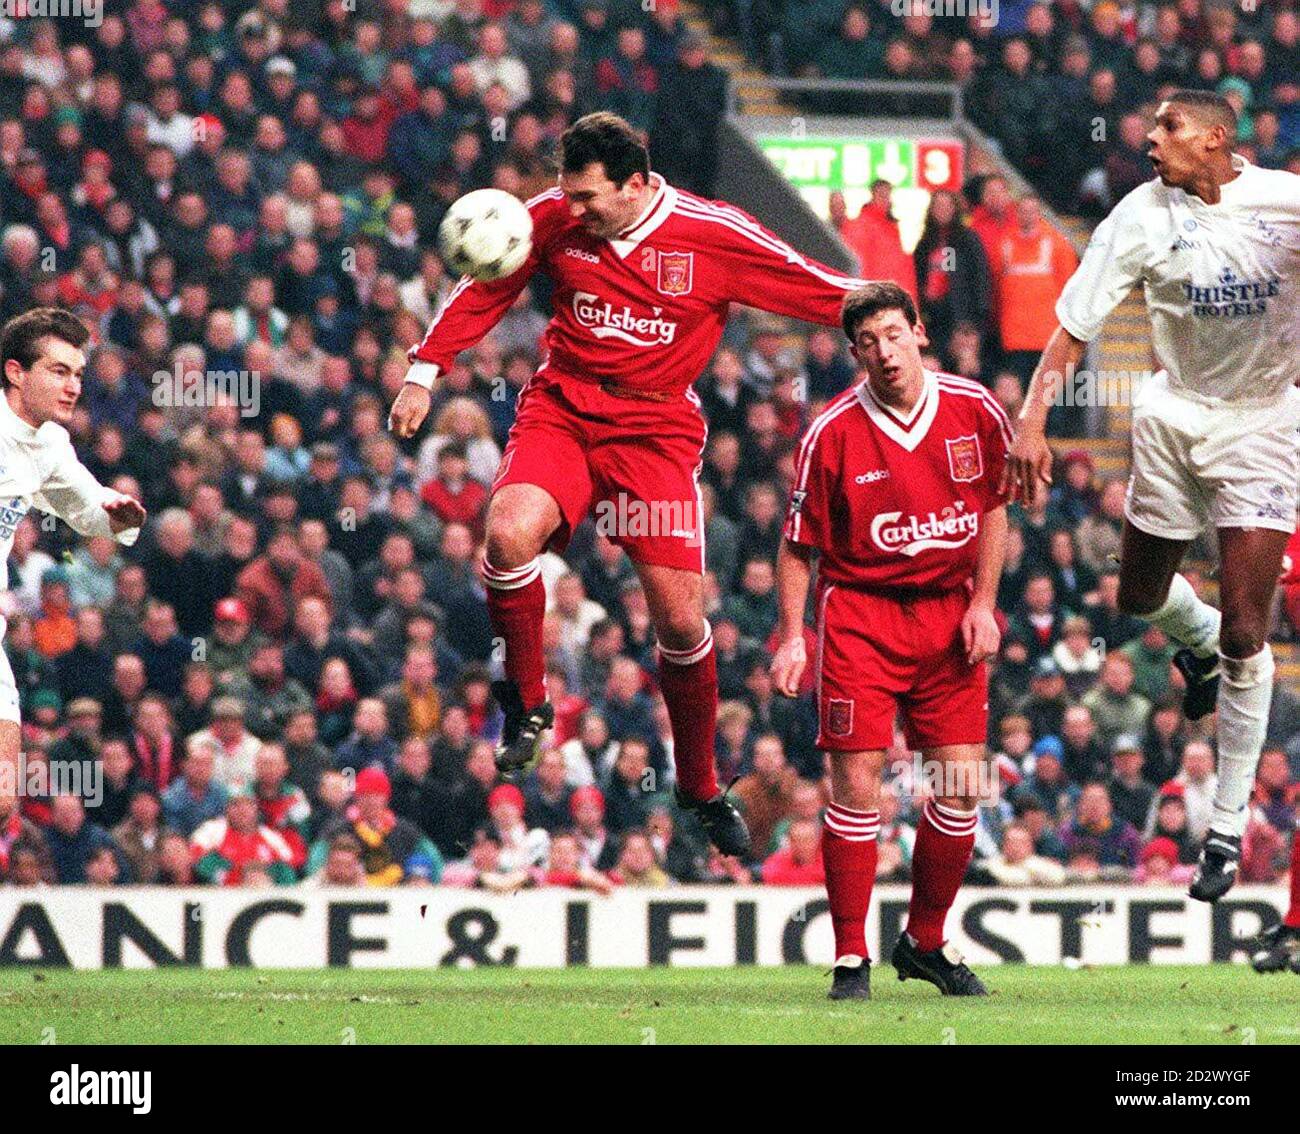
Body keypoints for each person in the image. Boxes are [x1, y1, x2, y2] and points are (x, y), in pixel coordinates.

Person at [388, 111, 869, 858]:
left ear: (637, 183)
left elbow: (808, 285)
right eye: (565, 196)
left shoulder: (714, 234)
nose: (569, 211)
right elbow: (485, 287)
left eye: (586, 198)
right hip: (565, 409)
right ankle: (527, 699)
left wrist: (886, 318)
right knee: (509, 534)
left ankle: (701, 785)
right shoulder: (550, 217)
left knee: (680, 624)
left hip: (653, 430)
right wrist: (425, 371)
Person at [1003, 90, 1300, 903]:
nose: (1150, 138)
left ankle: (1227, 829)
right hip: (1171, 412)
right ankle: (1192, 635)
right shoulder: (1139, 213)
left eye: (1168, 128)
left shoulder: (1285, 203)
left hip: (1263, 421)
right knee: (1136, 598)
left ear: (1214, 137)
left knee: (1250, 629)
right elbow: (1073, 324)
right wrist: (1032, 423)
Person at [770, 282, 1010, 1001]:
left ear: (919, 333)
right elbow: (795, 545)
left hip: (948, 616)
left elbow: (994, 509)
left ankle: (924, 941)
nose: (884, 352)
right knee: (856, 792)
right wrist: (792, 637)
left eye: (894, 335)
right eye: (868, 342)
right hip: (861, 618)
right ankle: (850, 957)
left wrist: (986, 603)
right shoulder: (831, 431)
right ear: (855, 354)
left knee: (960, 786)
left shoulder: (975, 409)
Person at [0, 308, 145, 771]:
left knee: (4, 794)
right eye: (59, 371)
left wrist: (119, 517)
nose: (74, 386)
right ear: (16, 373)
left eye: (79, 374)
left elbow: (87, 507)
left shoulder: (50, 444)